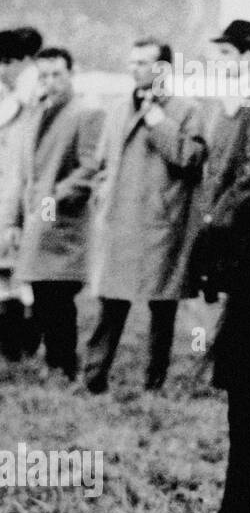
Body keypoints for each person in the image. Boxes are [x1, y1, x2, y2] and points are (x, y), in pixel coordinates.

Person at [81, 38, 207, 393]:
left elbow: (192, 159)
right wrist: (102, 194)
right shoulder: (119, 109)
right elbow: (104, 163)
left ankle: (154, 382)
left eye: (142, 62)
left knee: (162, 307)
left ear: (163, 69)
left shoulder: (186, 110)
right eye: (132, 61)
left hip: (161, 224)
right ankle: (93, 378)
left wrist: (158, 122)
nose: (133, 68)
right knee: (111, 302)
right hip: (120, 221)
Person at [190, 20, 250, 392]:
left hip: (248, 224)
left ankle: (240, 376)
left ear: (249, 56)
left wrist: (220, 213)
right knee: (225, 301)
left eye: (227, 53)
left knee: (247, 304)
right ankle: (224, 372)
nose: (220, 60)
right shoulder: (230, 102)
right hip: (223, 218)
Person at [0, 48, 103, 379]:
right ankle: (55, 364)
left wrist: (52, 199)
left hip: (64, 226)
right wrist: (14, 221)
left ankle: (64, 366)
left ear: (72, 73)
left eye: (57, 74)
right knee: (43, 298)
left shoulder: (86, 112)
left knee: (58, 299)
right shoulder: (35, 113)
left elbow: (90, 167)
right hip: (37, 224)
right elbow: (23, 174)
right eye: (43, 75)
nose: (50, 82)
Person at [0, 26, 43, 360]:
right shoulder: (17, 97)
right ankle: (18, 342)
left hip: (19, 195)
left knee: (18, 270)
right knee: (16, 272)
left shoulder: (26, 97)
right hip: (15, 193)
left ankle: (20, 342)